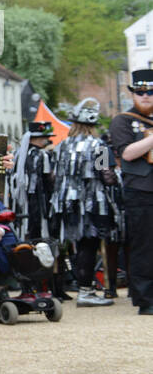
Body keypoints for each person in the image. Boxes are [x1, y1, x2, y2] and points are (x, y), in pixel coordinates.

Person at [51, 98, 121, 307]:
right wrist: (118, 178)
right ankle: (86, 291)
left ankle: (83, 288)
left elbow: (54, 176)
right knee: (89, 245)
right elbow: (106, 176)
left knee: (78, 246)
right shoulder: (98, 145)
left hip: (68, 203)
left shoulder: (62, 146)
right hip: (92, 203)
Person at [108, 70, 153, 315]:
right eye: (140, 92)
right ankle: (145, 298)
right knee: (144, 245)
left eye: (150, 92)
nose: (145, 96)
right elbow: (126, 153)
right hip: (141, 190)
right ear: (134, 94)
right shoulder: (123, 121)